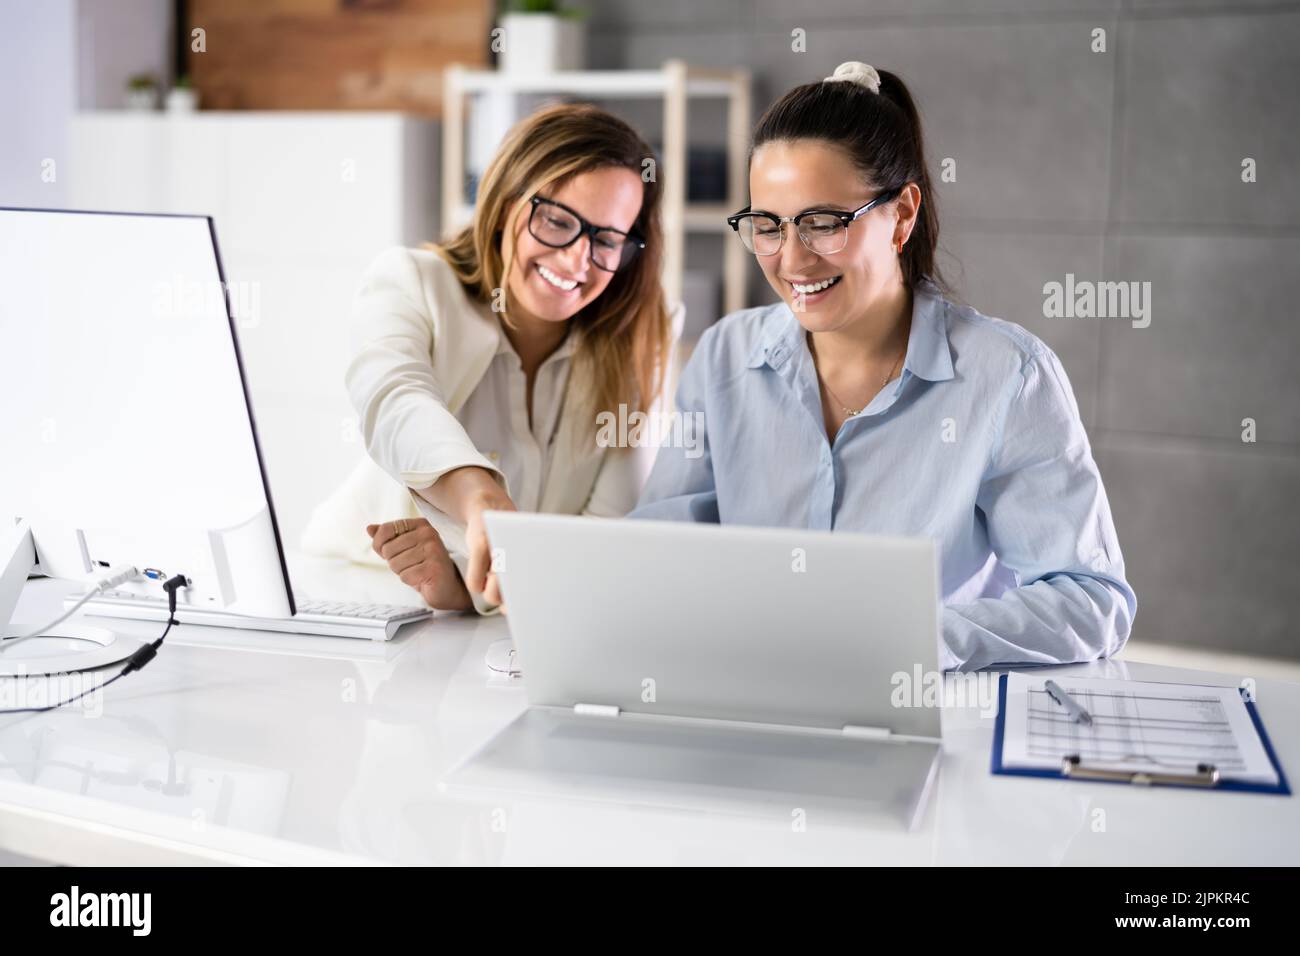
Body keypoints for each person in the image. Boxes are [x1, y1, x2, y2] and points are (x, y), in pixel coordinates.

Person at [632, 62, 1136, 671]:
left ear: (901, 215)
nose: (792, 259)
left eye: (822, 223)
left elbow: (1090, 600)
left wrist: (909, 642)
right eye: (767, 226)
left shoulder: (1008, 377)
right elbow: (658, 549)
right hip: (749, 699)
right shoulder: (723, 357)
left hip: (927, 714)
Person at [302, 103, 676, 612]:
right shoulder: (411, 281)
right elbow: (394, 401)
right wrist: (480, 501)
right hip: (360, 590)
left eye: (607, 240)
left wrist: (463, 589)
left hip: (517, 625)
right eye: (556, 220)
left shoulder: (636, 338)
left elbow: (603, 541)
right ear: (503, 204)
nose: (576, 260)